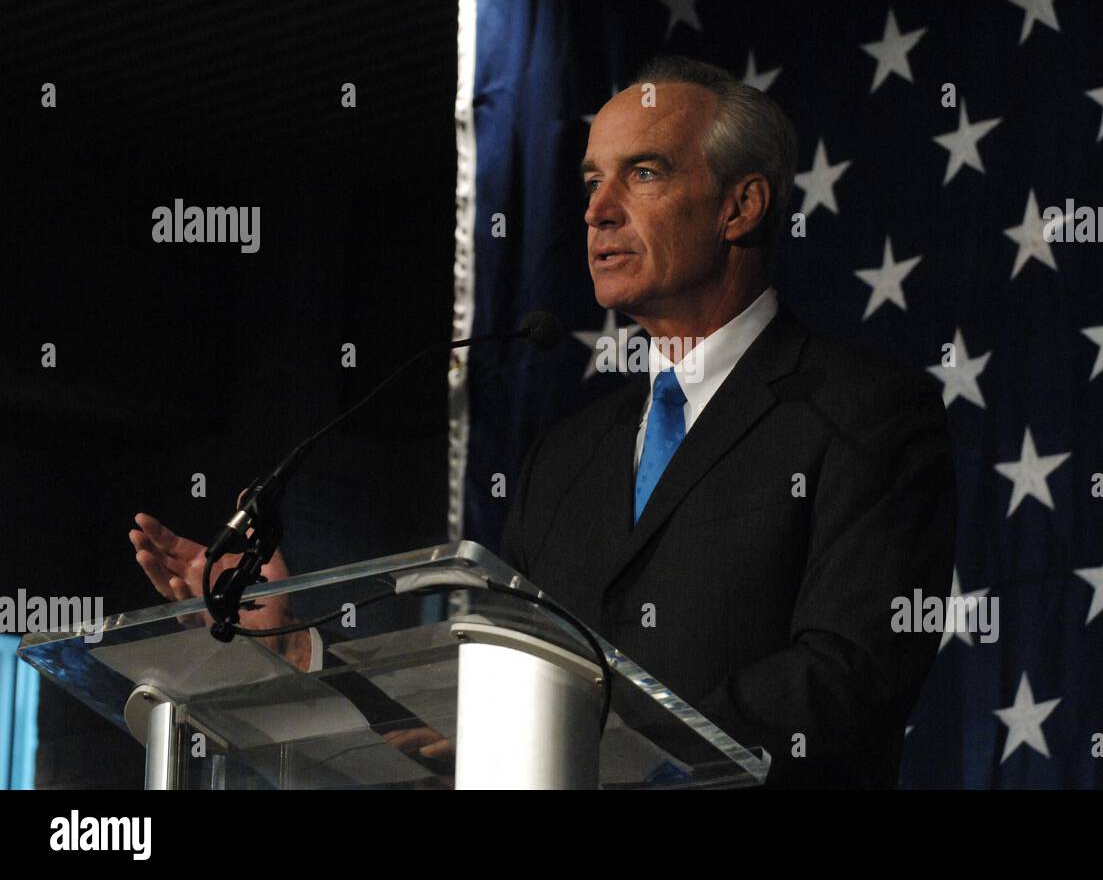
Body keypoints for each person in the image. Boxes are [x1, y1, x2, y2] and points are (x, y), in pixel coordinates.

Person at [132, 55, 957, 789]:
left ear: (741, 206)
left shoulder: (863, 412)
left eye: (642, 173)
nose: (597, 211)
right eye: (591, 182)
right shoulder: (567, 455)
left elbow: (847, 681)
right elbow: (489, 689)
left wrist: (601, 745)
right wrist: (306, 650)